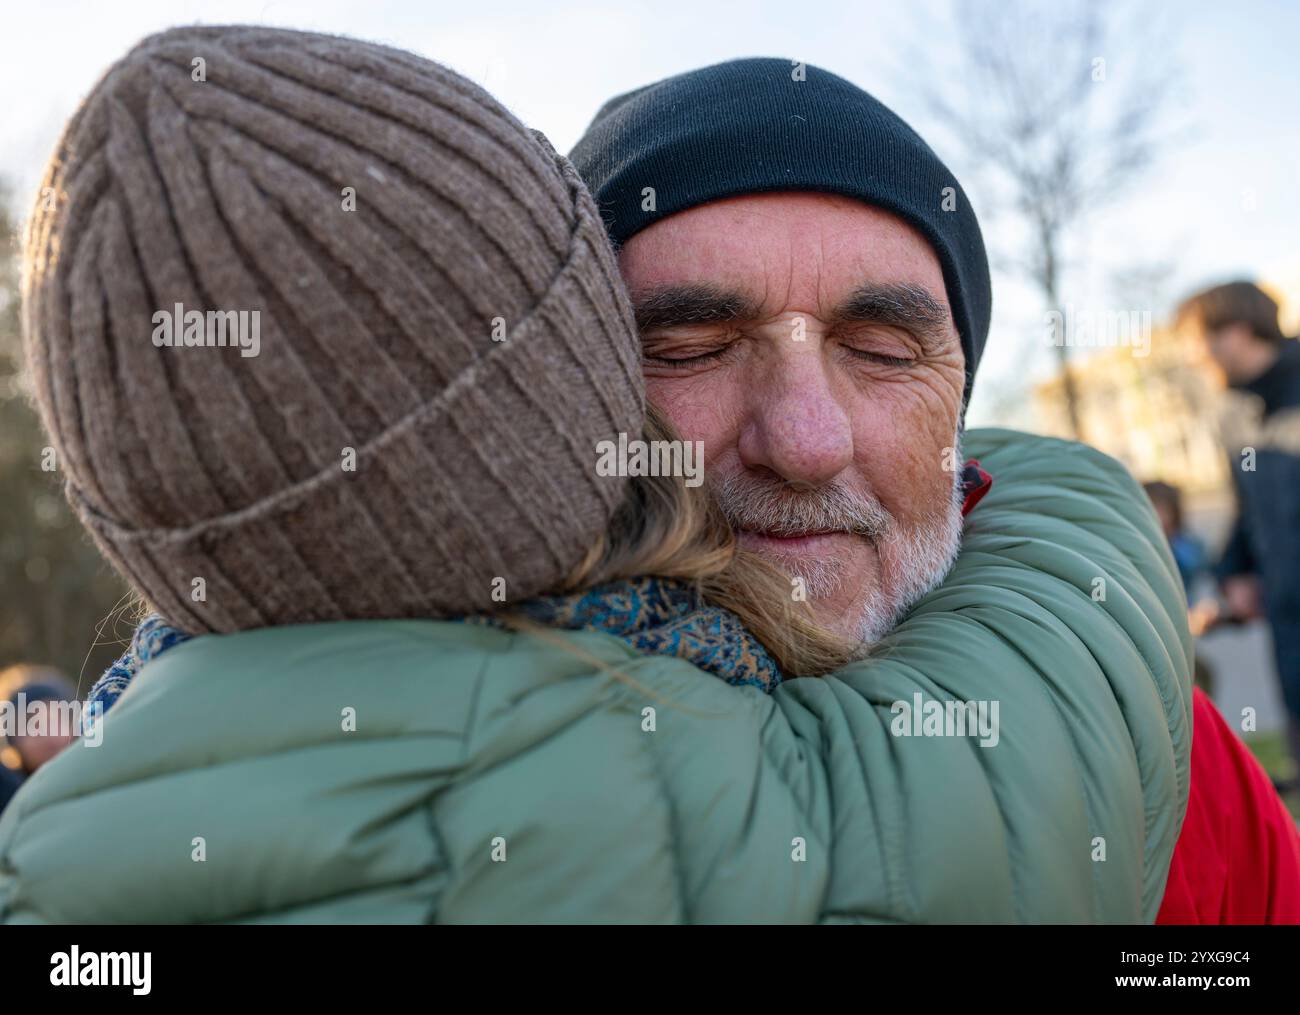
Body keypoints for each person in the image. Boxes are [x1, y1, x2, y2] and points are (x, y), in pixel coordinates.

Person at [0, 29, 1189, 923]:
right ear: (567, 398)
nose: (806, 437)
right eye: (688, 347)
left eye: (882, 352)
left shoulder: (1174, 773)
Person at [1177, 281, 1300, 777]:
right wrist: (1235, 577)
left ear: (1238, 330)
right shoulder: (1232, 416)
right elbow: (1248, 512)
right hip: (1288, 614)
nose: (1195, 355)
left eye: (1199, 339)